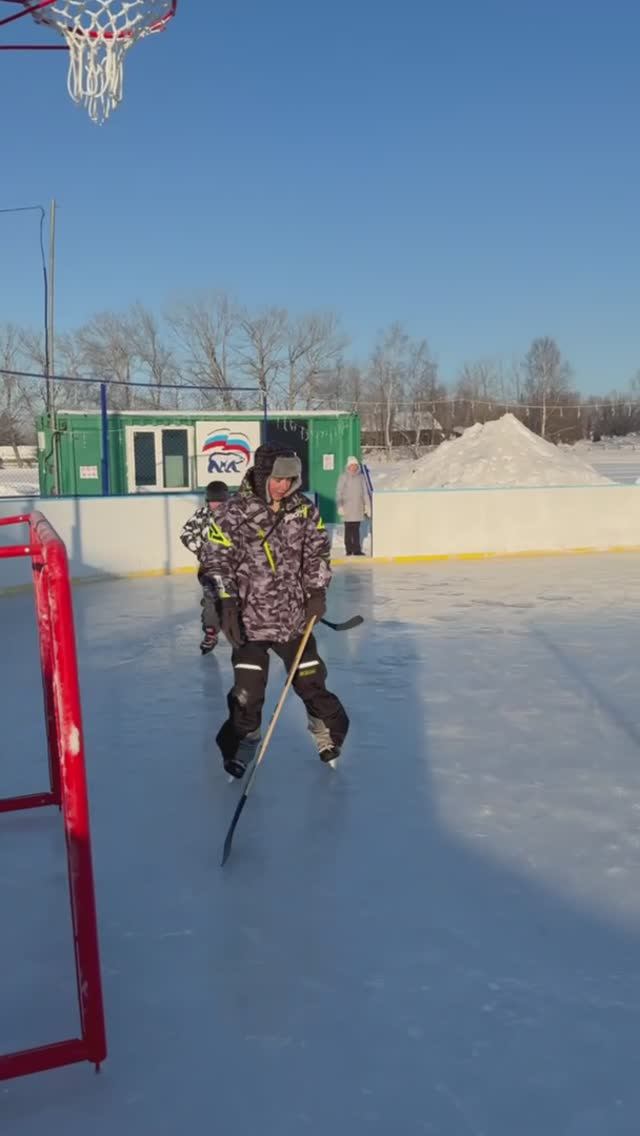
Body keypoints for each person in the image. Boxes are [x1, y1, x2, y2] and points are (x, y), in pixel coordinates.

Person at [200, 444, 349, 779]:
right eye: (278, 478)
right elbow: (215, 561)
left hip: (293, 618)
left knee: (311, 680)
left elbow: (317, 554)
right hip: (248, 621)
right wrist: (226, 603)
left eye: (290, 479)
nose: (284, 486)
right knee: (247, 693)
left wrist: (316, 593)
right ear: (263, 475)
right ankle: (243, 743)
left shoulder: (304, 510)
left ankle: (325, 731)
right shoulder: (233, 512)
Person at [180, 480, 230, 654]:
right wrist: (200, 550)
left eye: (219, 501)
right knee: (211, 603)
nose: (215, 505)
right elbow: (185, 532)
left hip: (234, 571)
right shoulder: (202, 515)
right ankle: (210, 633)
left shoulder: (237, 515)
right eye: (211, 501)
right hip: (210, 571)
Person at [336, 455, 369, 556]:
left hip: (358, 507)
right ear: (348, 466)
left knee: (356, 529)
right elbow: (339, 492)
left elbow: (365, 492)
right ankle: (349, 549)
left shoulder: (361, 477)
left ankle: (357, 549)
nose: (354, 467)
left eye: (355, 465)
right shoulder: (343, 477)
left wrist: (367, 505)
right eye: (352, 465)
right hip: (347, 508)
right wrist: (340, 506)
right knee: (348, 529)